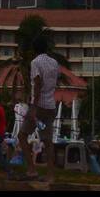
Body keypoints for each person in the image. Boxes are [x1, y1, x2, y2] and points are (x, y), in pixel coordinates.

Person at [18, 34, 60, 182]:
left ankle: (31, 169)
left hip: (39, 107)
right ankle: (50, 175)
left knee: (22, 136)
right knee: (48, 142)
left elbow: (37, 84)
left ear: (34, 49)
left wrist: (33, 108)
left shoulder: (35, 62)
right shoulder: (54, 63)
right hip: (51, 106)